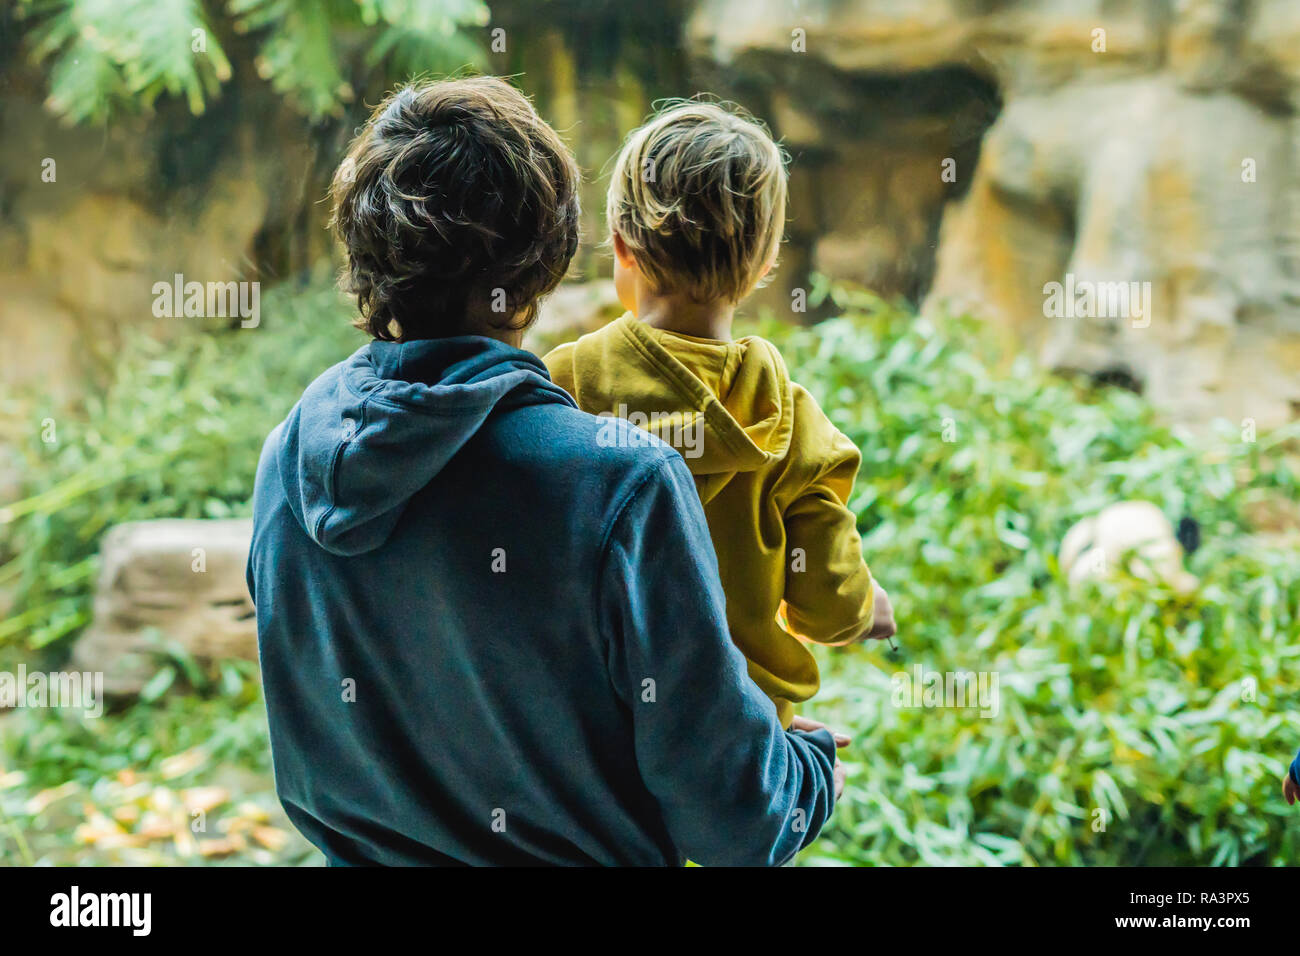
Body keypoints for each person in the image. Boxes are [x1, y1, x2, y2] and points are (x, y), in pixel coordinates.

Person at [246, 77, 845, 866]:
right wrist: (807, 767)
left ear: (361, 249)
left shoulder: (287, 459)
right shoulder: (621, 483)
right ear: (550, 262)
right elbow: (735, 821)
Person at [545, 101, 895, 729]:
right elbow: (826, 603)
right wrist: (867, 607)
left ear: (621, 247)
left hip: (593, 722)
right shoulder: (787, 418)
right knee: (811, 763)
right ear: (765, 268)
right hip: (736, 724)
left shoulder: (566, 382)